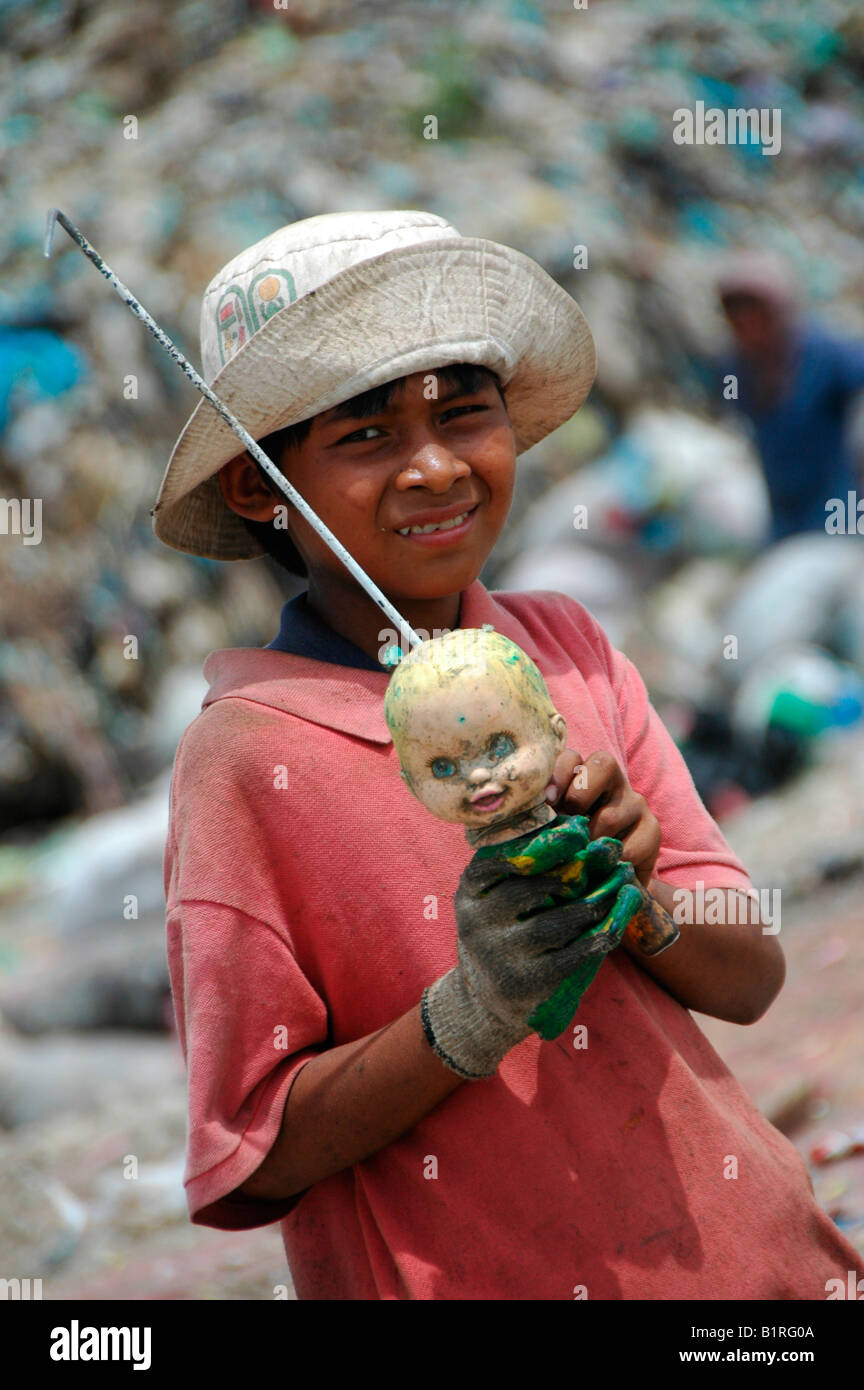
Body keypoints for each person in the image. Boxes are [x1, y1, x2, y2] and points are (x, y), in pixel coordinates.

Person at [153, 210, 864, 1299]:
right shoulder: (249, 756)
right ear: (260, 488)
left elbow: (754, 974)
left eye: (463, 414)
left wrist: (642, 896)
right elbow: (250, 1150)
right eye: (365, 435)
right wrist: (471, 1010)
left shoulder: (568, 652)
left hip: (749, 1263)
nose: (435, 467)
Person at [716, 251, 864, 542]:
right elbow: (733, 413)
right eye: (735, 310)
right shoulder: (734, 370)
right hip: (783, 516)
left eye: (753, 308)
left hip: (838, 515)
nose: (745, 320)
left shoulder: (825, 355)